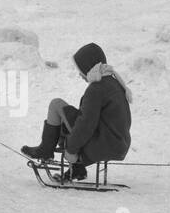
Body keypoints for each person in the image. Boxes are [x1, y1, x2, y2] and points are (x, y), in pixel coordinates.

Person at [20, 43, 132, 182]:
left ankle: (46, 150)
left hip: (104, 143)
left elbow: (86, 124)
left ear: (88, 67)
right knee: (67, 118)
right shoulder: (112, 82)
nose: (80, 75)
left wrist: (71, 150)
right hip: (117, 143)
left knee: (56, 104)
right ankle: (75, 169)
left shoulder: (97, 88)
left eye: (81, 70)